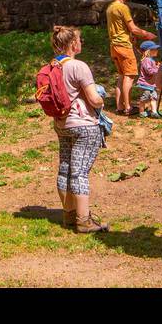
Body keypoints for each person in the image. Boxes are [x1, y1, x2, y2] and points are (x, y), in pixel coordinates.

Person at [49, 25, 109, 233]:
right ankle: (84, 220)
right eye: (80, 40)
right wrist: (102, 99)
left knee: (65, 168)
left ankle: (69, 215)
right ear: (73, 44)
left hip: (62, 124)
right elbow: (94, 98)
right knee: (80, 172)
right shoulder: (78, 66)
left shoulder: (53, 66)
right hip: (83, 125)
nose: (81, 43)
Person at [105, 0, 157, 116]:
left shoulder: (110, 7)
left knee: (121, 76)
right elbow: (133, 28)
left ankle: (119, 107)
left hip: (114, 46)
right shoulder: (122, 7)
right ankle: (128, 107)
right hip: (123, 46)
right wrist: (148, 35)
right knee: (130, 75)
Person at [134, 41, 162, 119]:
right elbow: (149, 71)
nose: (156, 50)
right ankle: (141, 112)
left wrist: (156, 66)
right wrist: (157, 68)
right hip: (145, 84)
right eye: (154, 49)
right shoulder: (146, 60)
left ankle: (154, 112)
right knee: (144, 99)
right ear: (148, 51)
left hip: (151, 84)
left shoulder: (150, 60)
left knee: (153, 97)